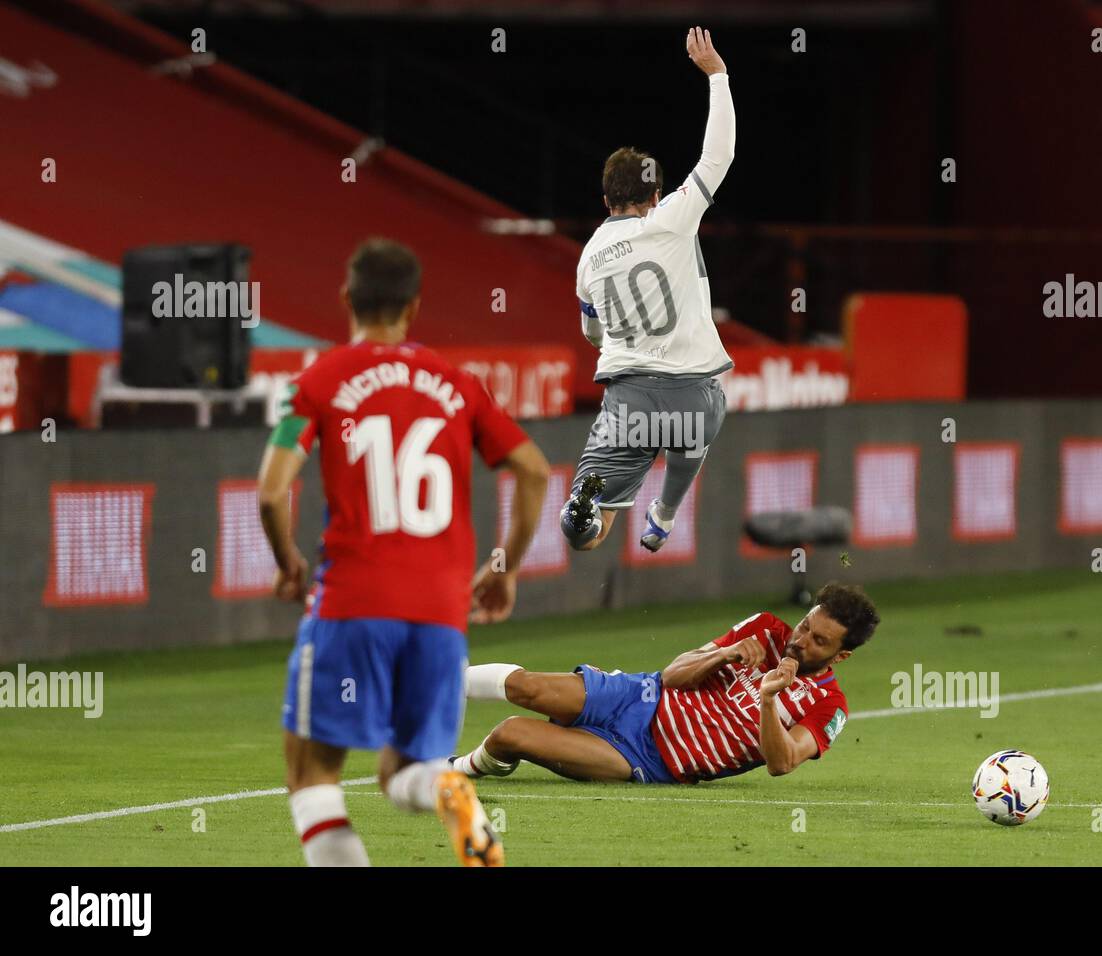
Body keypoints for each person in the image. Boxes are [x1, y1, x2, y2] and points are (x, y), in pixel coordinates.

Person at [257, 238, 549, 866]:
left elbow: (272, 491)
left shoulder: (318, 381)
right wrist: (504, 568)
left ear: (346, 300)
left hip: (351, 606)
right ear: (415, 308)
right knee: (404, 773)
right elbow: (532, 471)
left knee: (313, 777)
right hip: (441, 617)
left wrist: (287, 564)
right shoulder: (459, 385)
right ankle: (448, 787)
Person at [561, 27, 735, 554]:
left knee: (590, 525)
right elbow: (717, 158)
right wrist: (718, 78)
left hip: (629, 401)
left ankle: (585, 505)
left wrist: (615, 342)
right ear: (657, 194)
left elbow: (592, 330)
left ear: (606, 196)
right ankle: (664, 512)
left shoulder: (589, 255)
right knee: (700, 418)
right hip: (693, 394)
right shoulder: (672, 221)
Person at [451, 583, 879, 784]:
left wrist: (769, 698)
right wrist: (724, 654)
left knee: (510, 733)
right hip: (642, 694)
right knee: (528, 688)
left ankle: (464, 768)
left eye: (818, 640)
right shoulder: (766, 628)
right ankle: (428, 682)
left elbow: (781, 763)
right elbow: (674, 673)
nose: (800, 640)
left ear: (840, 655)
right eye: (805, 625)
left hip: (647, 758)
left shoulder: (829, 705)